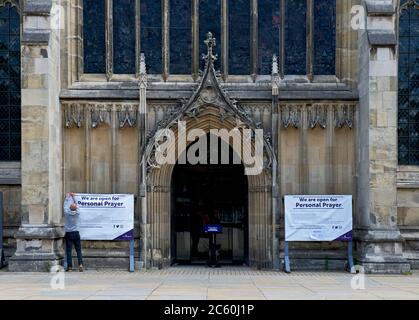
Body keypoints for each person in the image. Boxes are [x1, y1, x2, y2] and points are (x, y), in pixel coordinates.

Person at [64, 192, 84, 272]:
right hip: (76, 233)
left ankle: (70, 267)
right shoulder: (78, 213)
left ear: (70, 208)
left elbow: (65, 206)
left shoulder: (67, 213)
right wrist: (73, 197)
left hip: (68, 233)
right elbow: (77, 204)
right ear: (75, 208)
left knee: (69, 251)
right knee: (78, 250)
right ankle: (80, 264)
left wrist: (67, 197)